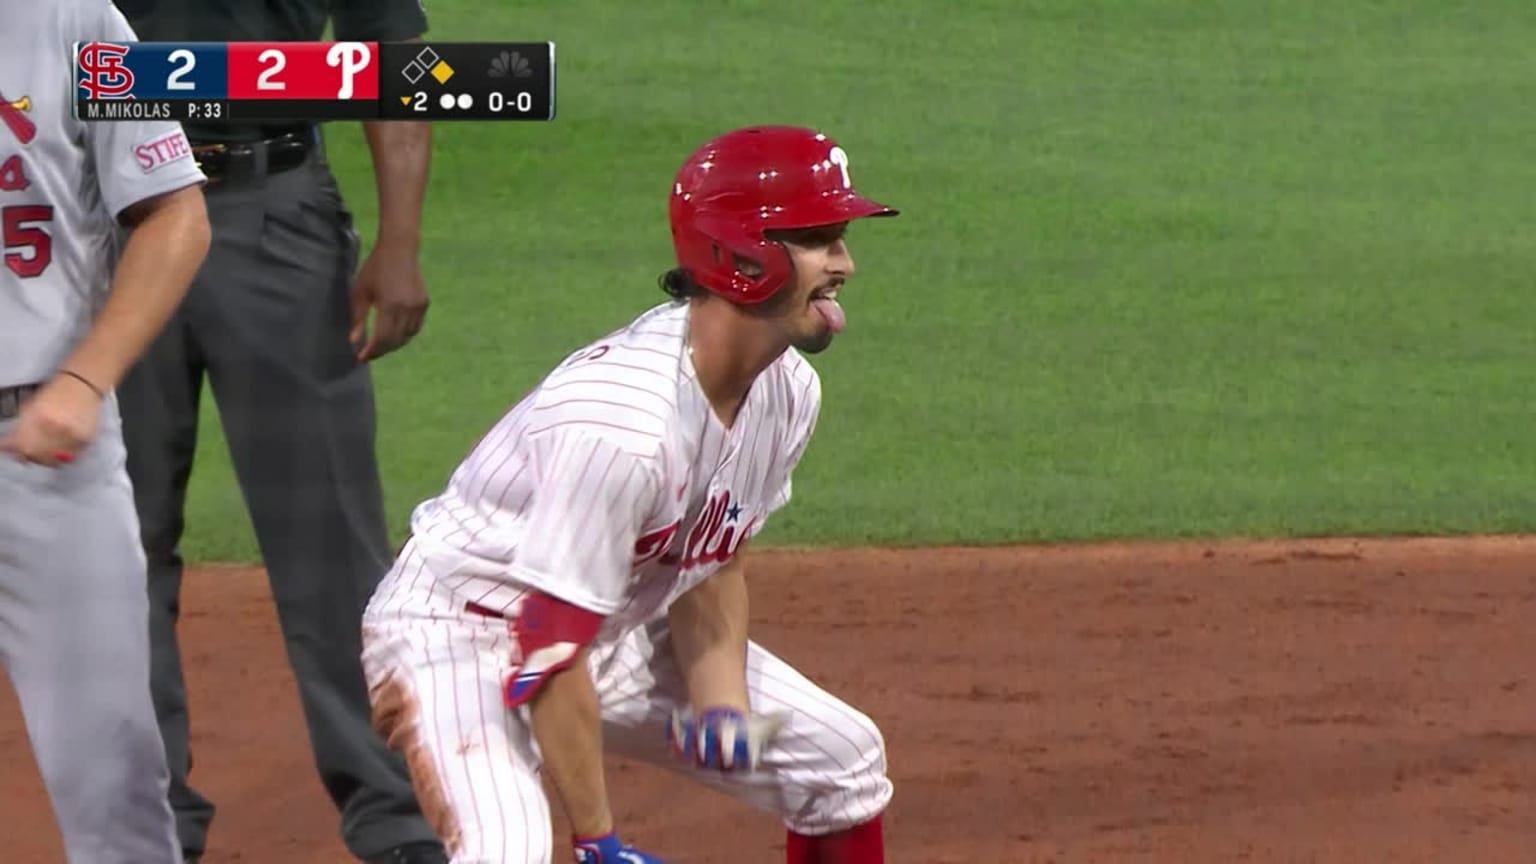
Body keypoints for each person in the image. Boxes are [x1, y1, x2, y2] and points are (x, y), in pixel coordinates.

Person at [359, 125, 897, 864]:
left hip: (599, 625)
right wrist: (598, 842)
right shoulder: (623, 425)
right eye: (818, 240)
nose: (845, 264)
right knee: (505, 851)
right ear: (742, 255)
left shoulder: (788, 393)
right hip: (463, 632)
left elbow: (709, 557)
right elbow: (550, 654)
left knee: (842, 761)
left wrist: (720, 705)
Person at [109, 1, 443, 862]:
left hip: (275, 212)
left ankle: (395, 818)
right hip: (110, 219)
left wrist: (401, 238)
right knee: (117, 546)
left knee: (329, 541)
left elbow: (390, 48)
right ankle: (146, 827)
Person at [0, 0, 211, 860]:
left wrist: (86, 379)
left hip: (46, 453)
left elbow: (177, 214)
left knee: (111, 779)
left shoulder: (74, 18)